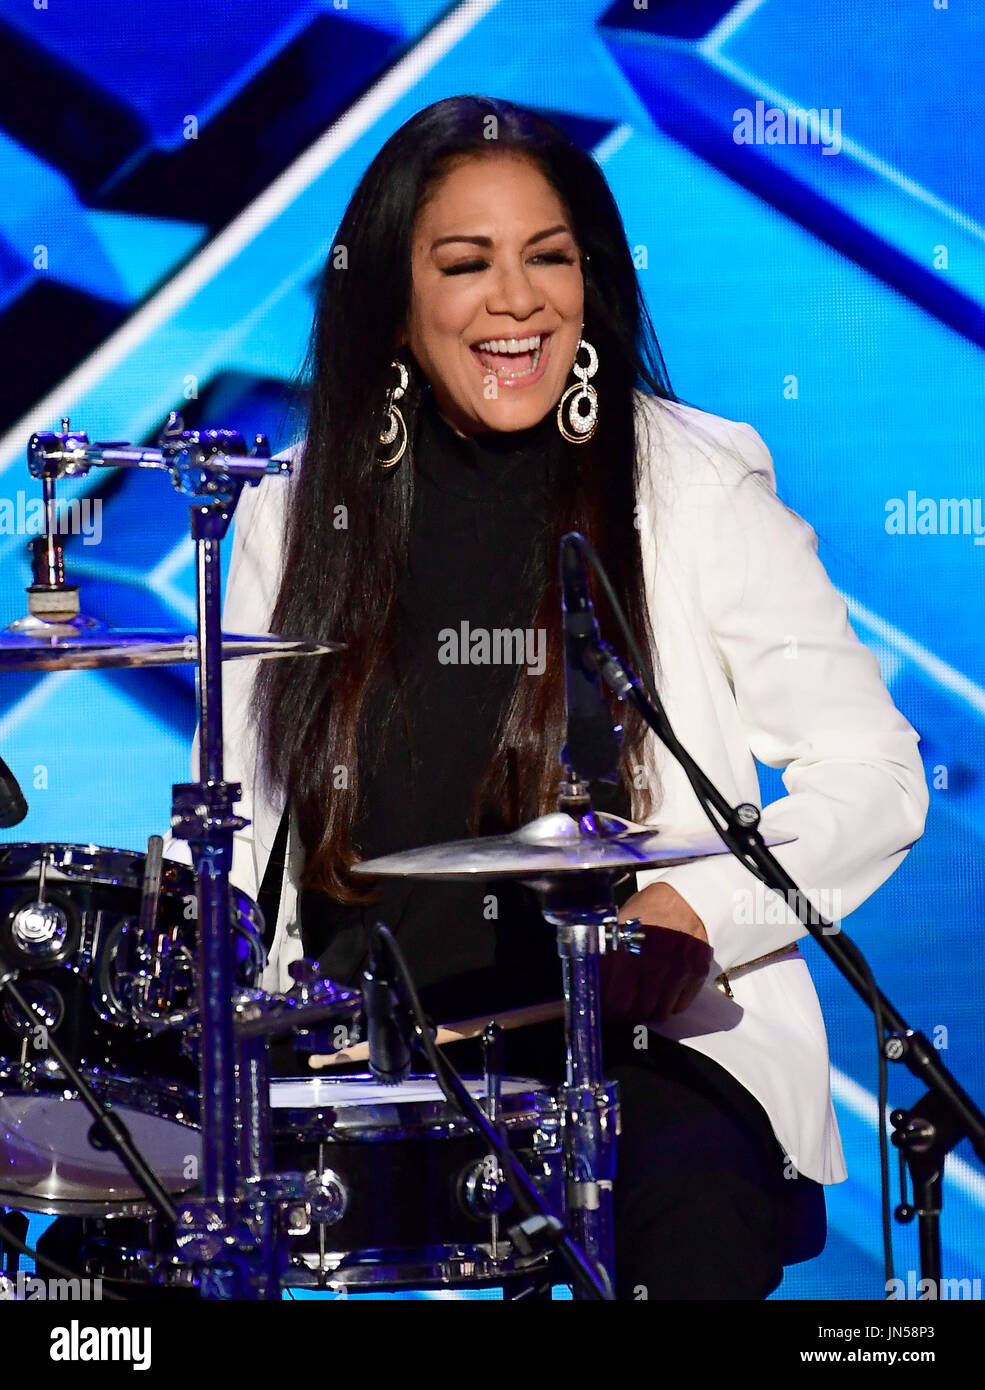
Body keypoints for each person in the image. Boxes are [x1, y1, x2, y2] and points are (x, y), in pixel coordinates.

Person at [211, 96, 929, 1299]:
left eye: (549, 258)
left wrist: (693, 912)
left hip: (632, 1056)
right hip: (356, 1062)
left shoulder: (692, 485)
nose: (517, 300)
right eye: (465, 263)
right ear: (393, 300)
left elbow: (876, 777)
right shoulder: (291, 515)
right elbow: (235, 830)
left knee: (686, 1204)